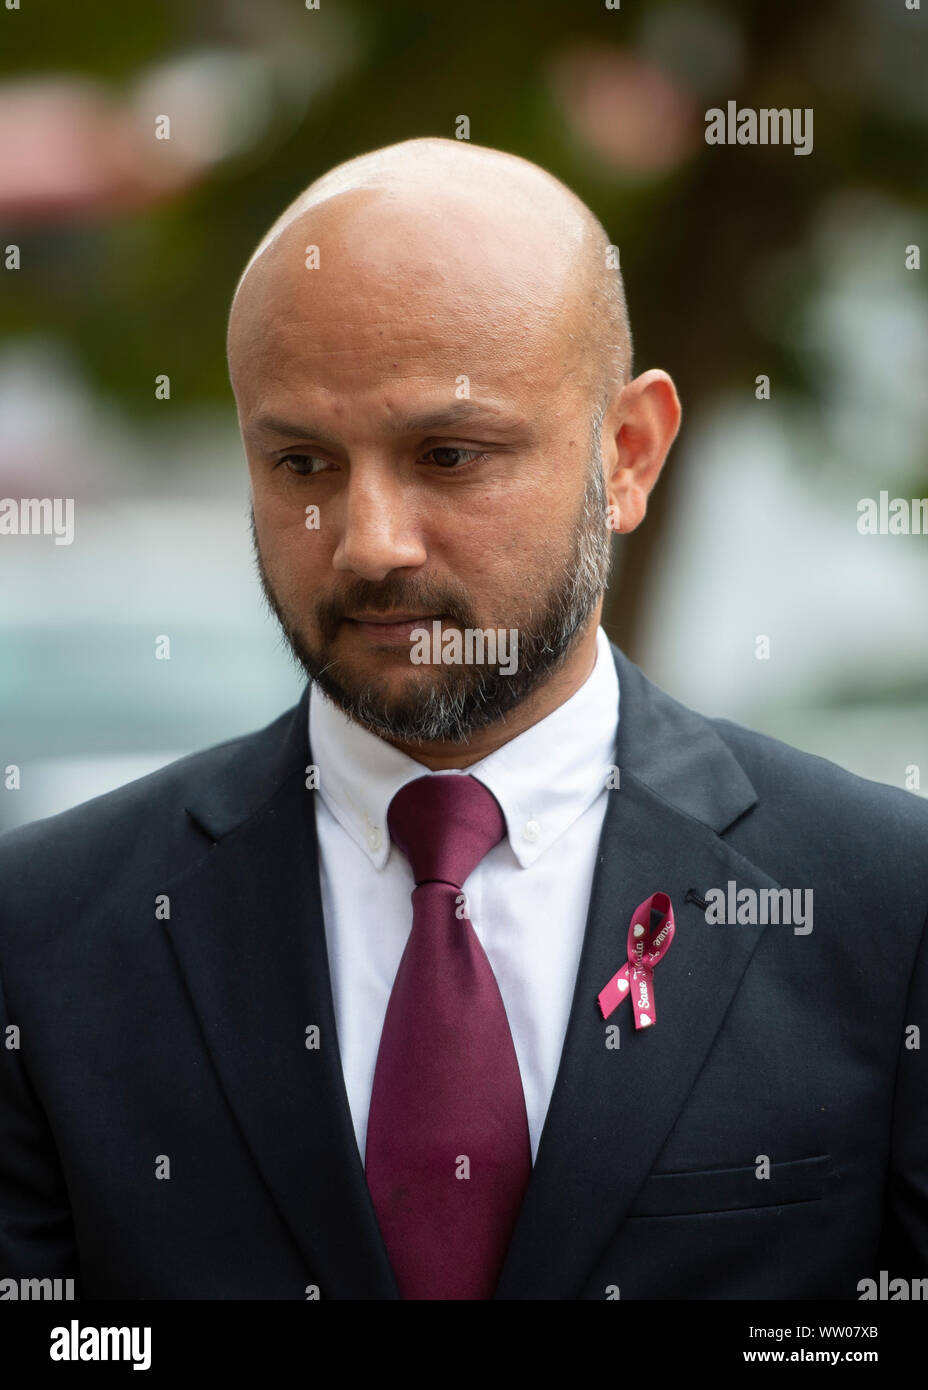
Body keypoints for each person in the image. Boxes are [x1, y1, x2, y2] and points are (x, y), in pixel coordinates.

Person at [0, 137, 925, 1302]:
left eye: (448, 453)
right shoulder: (43, 939)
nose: (370, 539)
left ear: (628, 454)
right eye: (301, 462)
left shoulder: (885, 908)